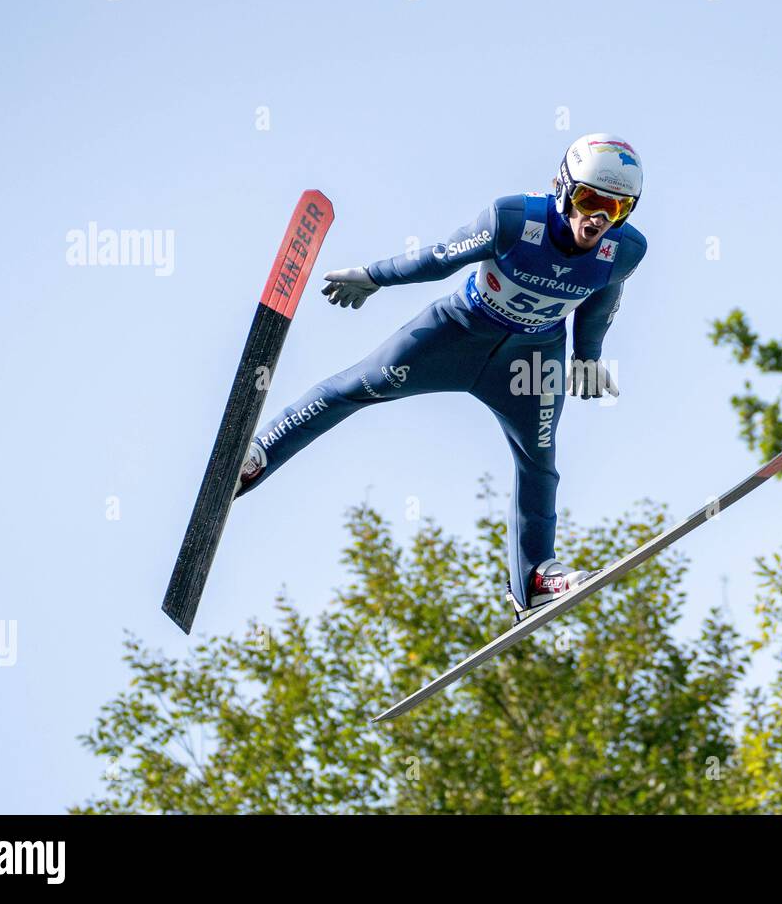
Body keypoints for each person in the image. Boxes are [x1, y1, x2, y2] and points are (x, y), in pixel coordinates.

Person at [235, 133, 647, 617]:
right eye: (589, 199)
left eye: (616, 209)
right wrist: (374, 276)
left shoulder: (624, 249)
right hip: (457, 333)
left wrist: (588, 355)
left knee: (539, 462)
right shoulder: (515, 218)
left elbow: (603, 293)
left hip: (532, 360)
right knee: (358, 385)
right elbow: (439, 258)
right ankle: (259, 453)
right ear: (562, 186)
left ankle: (533, 579)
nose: (598, 219)